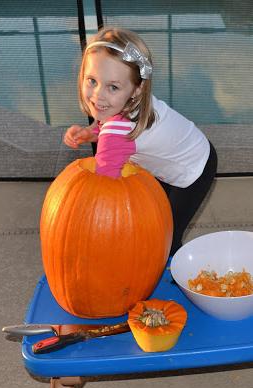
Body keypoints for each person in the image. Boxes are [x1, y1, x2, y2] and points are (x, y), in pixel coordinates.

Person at [64, 26, 218, 256]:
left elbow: (104, 189)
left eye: (112, 87)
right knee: (155, 215)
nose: (98, 95)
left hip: (195, 168)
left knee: (165, 234)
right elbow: (113, 123)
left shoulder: (117, 133)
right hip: (188, 147)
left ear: (137, 89)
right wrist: (93, 131)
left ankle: (174, 274)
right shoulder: (131, 102)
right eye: (92, 81)